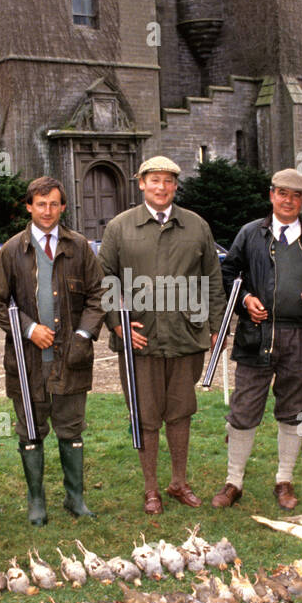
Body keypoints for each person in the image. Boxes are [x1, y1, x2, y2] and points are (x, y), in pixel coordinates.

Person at [98, 155, 227, 515]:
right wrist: (117, 324)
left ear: (175, 186)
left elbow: (213, 280)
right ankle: (151, 488)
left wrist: (216, 326)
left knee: (181, 412)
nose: (161, 187)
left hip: (187, 336)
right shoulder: (120, 227)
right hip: (140, 339)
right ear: (140, 183)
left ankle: (179, 483)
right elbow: (104, 279)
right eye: (154, 180)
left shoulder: (197, 226)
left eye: (168, 181)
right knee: (146, 414)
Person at [213, 168, 302, 511]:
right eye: (282, 193)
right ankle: (233, 482)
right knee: (243, 408)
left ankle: (284, 480)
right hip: (256, 335)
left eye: (296, 195)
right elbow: (228, 273)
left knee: (295, 409)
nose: (288, 200)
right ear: (271, 195)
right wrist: (244, 300)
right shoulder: (250, 234)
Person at [0, 177, 106, 526]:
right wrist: (28, 329)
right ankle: (36, 501)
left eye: (54, 204)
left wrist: (83, 335)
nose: (48, 211)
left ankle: (75, 498)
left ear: (63, 207)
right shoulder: (11, 250)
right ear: (29, 207)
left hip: (72, 359)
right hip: (27, 362)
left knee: (71, 429)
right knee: (30, 431)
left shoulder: (81, 247)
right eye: (41, 204)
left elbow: (99, 296)